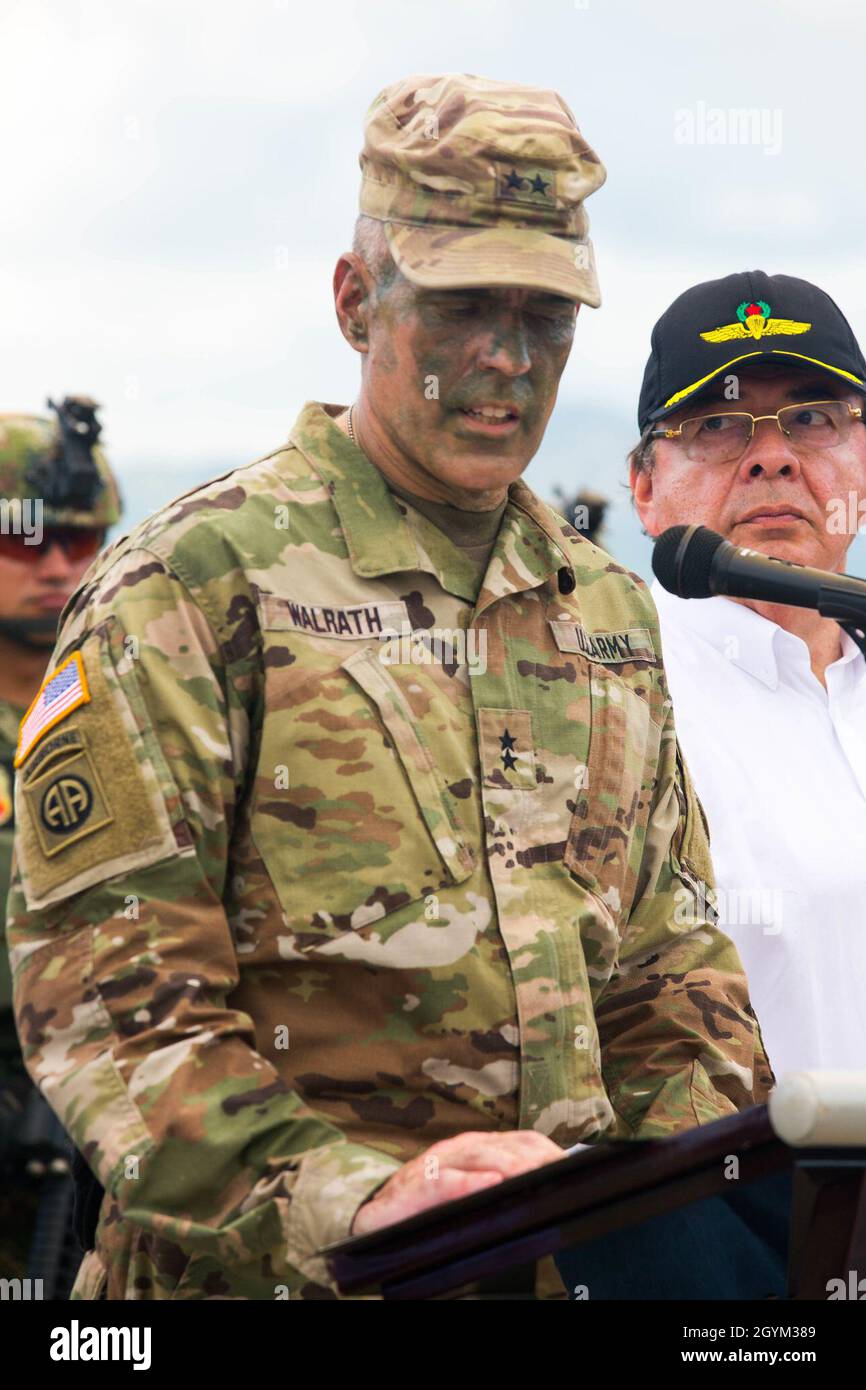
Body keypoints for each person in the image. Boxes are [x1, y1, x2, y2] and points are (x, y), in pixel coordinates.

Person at [6, 75, 771, 1303]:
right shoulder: (193, 584)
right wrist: (351, 1199)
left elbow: (663, 965)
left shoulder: (604, 608)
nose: (508, 362)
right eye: (464, 308)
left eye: (546, 316)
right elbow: (104, 995)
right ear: (356, 301)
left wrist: (698, 1217)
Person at [630, 270, 866, 1078]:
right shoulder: (609, 701)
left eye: (812, 419)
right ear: (644, 490)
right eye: (719, 426)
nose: (772, 458)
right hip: (745, 1202)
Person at [0, 396, 120, 1293]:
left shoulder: (135, 704)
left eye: (83, 542)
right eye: (23, 540)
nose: (57, 566)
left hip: (92, 1141)